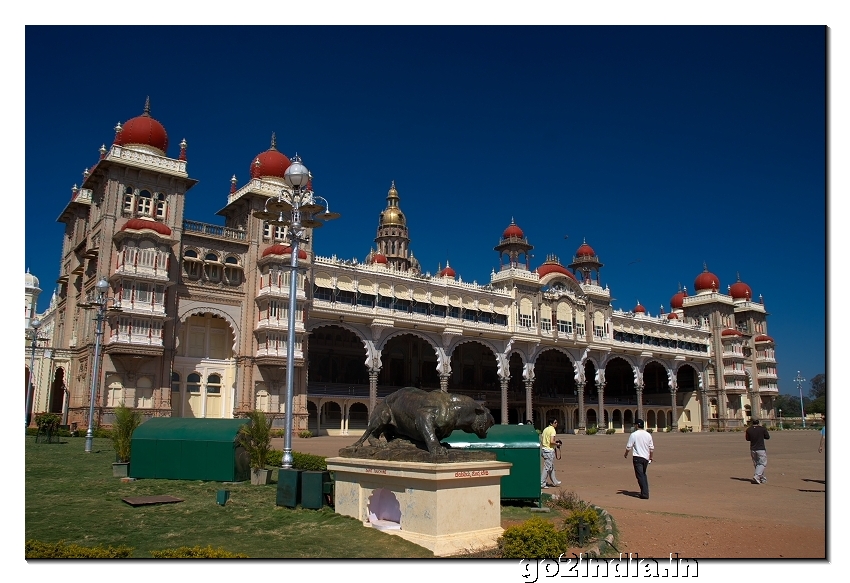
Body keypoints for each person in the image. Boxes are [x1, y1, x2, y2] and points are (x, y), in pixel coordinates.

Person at [624, 418, 653, 499]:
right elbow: (651, 448)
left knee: (640, 475)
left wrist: (626, 454)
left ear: (637, 425)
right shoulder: (648, 435)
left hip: (637, 457)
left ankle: (645, 494)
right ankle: (645, 491)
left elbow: (629, 446)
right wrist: (651, 457)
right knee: (643, 474)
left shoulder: (634, 434)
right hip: (646, 458)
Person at [745, 419, 770, 484]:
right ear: (758, 423)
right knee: (762, 463)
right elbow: (767, 437)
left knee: (757, 464)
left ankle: (762, 478)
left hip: (753, 448)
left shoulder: (749, 429)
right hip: (760, 448)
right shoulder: (762, 429)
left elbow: (747, 439)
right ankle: (757, 476)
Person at [540, 418, 561, 489]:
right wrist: (557, 443)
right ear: (551, 423)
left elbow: (542, 439)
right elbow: (551, 441)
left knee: (551, 466)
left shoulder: (545, 429)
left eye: (556, 422)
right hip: (549, 451)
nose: (556, 424)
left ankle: (555, 481)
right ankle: (542, 483)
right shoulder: (552, 430)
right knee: (547, 467)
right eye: (555, 422)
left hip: (544, 449)